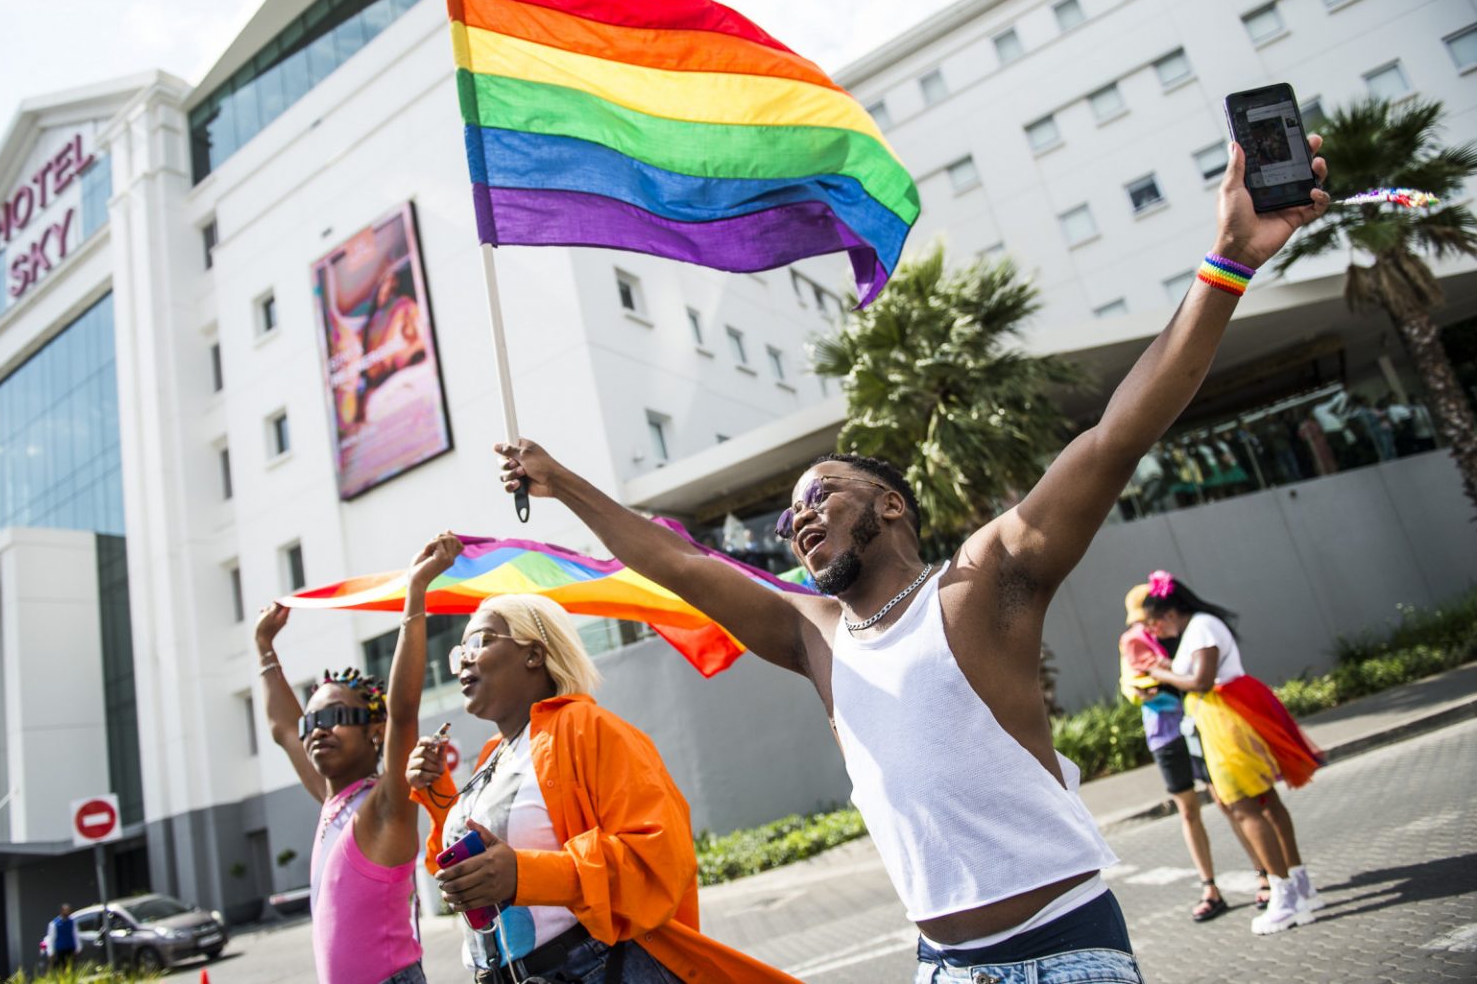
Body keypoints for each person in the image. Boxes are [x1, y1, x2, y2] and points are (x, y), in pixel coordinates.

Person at [493, 135, 1330, 981]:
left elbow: (1117, 435)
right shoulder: (812, 635)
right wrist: (563, 483)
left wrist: (1226, 261)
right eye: (790, 517)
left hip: (1065, 955)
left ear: (889, 506)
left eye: (820, 497)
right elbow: (678, 565)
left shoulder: (980, 583)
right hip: (940, 967)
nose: (799, 521)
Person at [406, 593, 799, 984]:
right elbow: (466, 862)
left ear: (534, 654)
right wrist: (436, 792)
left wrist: (524, 874)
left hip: (591, 967)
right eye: (460, 651)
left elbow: (657, 858)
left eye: (482, 641)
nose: (465, 659)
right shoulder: (492, 758)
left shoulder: (588, 727)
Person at [253, 531, 463, 984]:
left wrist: (416, 591)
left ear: (375, 732)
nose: (318, 728)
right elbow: (284, 729)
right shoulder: (331, 803)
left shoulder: (386, 805)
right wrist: (265, 648)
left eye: (335, 716)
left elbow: (404, 711)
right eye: (314, 721)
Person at [1135, 571, 1325, 935]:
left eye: (1153, 621)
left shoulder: (1202, 627)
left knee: (1245, 806)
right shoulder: (1198, 629)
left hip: (1226, 719)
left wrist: (1163, 674)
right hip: (1225, 715)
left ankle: (1284, 897)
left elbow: (1202, 681)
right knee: (1264, 801)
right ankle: (1299, 886)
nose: (1153, 630)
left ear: (1170, 612)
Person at [1118, 584, 1263, 922]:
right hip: (1164, 732)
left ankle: (1263, 873)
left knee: (1228, 801)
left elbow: (1200, 674)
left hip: (1200, 723)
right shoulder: (1131, 641)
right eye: (1142, 620)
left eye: (1150, 618)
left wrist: (1163, 671)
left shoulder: (1183, 631)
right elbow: (1128, 681)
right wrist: (1138, 690)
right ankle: (1209, 888)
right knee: (1188, 812)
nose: (1147, 625)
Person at [46, 904, 81, 970]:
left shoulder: (72, 922)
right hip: (60, 950)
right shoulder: (54, 923)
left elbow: (76, 935)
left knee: (71, 967)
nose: (67, 912)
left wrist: (78, 948)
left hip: (71, 948)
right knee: (62, 967)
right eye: (65, 910)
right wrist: (50, 952)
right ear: (61, 911)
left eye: (68, 910)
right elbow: (51, 938)